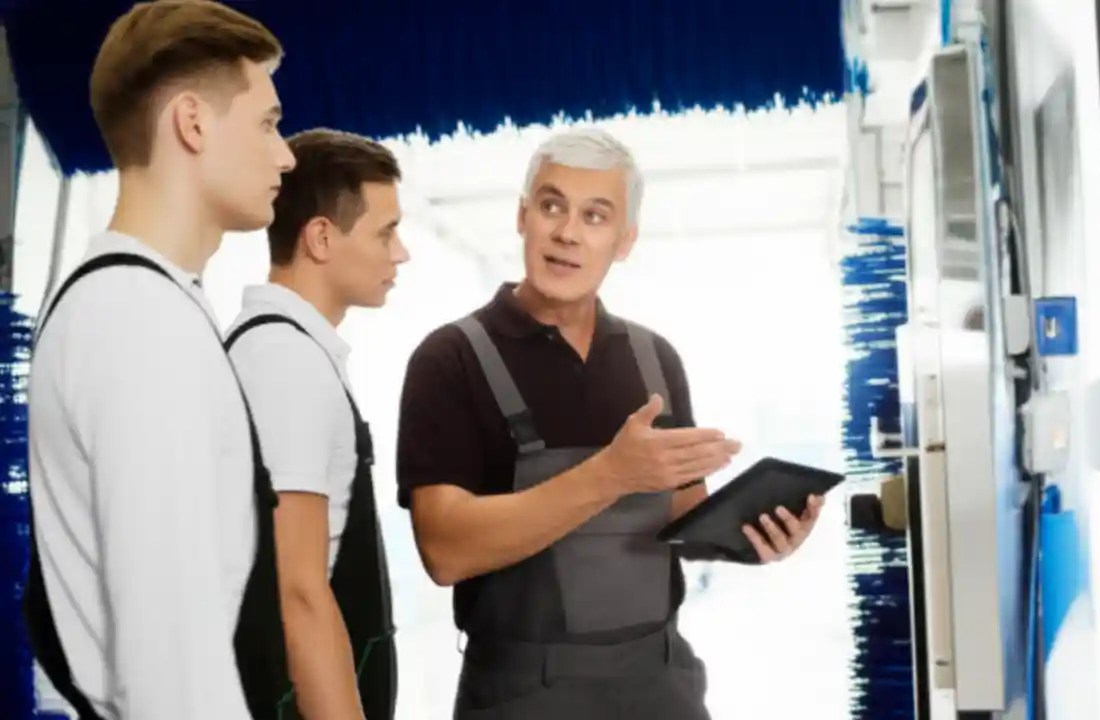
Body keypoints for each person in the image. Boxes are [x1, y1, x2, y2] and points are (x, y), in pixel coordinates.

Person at [396, 128, 825, 719]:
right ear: (522, 217)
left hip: (660, 685)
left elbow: (680, 516)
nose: (568, 232)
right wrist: (611, 474)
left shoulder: (655, 358)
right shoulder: (451, 360)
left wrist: (752, 537)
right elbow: (444, 550)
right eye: (552, 206)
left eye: (595, 216)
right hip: (523, 695)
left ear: (625, 241)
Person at [24, 2, 296, 718]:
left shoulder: (138, 304)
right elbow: (169, 671)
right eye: (268, 124)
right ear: (192, 122)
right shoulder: (138, 322)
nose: (286, 155)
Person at [225, 128, 408, 720]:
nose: (400, 252)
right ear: (321, 237)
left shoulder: (291, 352)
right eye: (386, 232)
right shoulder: (285, 364)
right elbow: (297, 592)